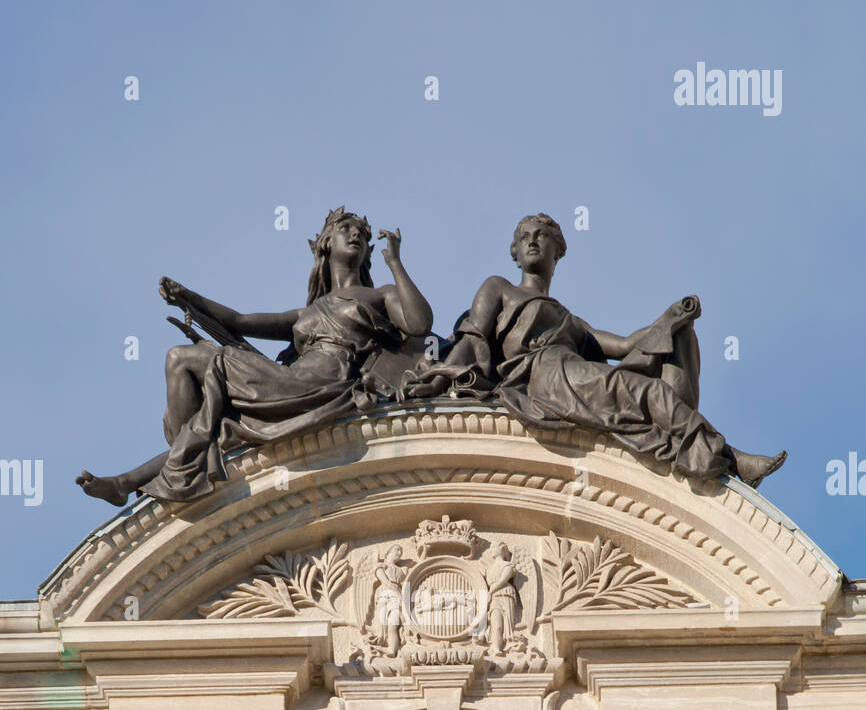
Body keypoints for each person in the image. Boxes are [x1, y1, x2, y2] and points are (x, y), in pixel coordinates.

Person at [76, 209, 433, 505]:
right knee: (184, 369)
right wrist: (189, 297)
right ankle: (138, 478)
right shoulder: (305, 315)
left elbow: (419, 324)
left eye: (362, 232)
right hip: (292, 381)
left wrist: (396, 264)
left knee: (185, 362)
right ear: (326, 244)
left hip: (324, 380)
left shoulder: (379, 295)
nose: (355, 234)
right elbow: (238, 321)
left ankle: (174, 469)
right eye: (345, 228)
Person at [402, 213, 785, 487]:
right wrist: (444, 376)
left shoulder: (570, 320)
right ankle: (729, 458)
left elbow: (625, 345)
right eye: (525, 236)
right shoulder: (499, 286)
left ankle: (707, 452)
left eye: (542, 235)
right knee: (647, 392)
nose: (533, 239)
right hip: (544, 375)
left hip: (569, 372)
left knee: (676, 342)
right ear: (515, 253)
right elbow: (474, 338)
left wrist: (671, 317)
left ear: (557, 252)